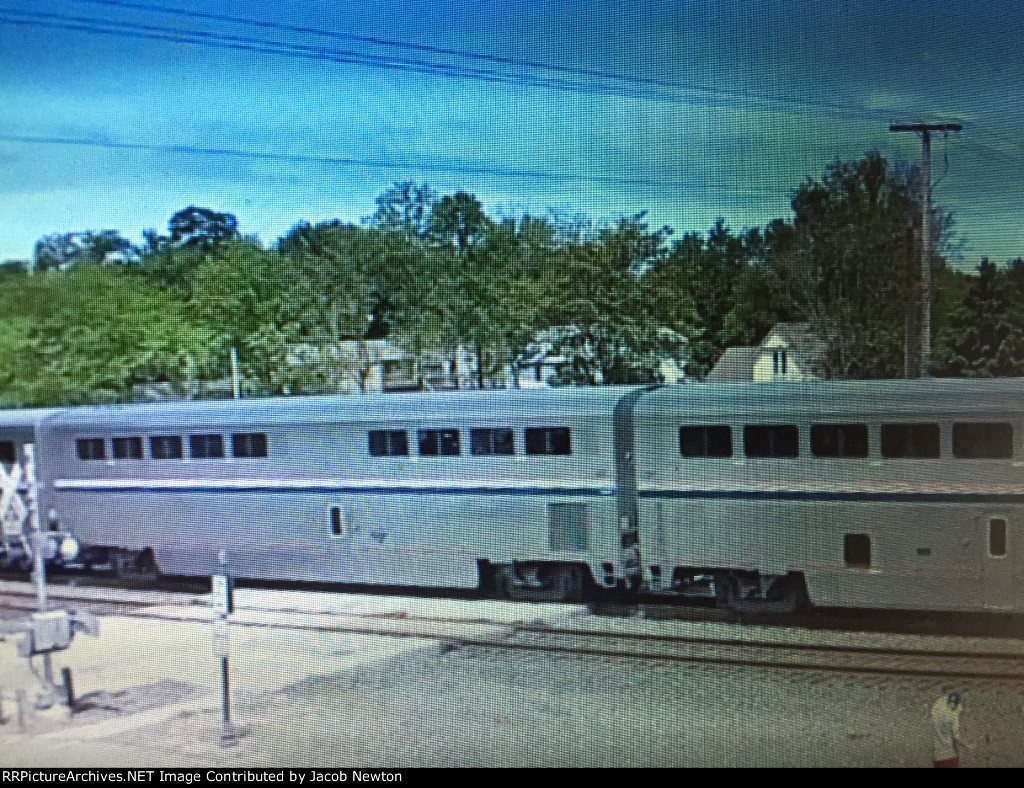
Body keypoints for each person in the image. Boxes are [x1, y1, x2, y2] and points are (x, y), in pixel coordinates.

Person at [931, 691, 964, 767]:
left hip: (937, 756)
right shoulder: (953, 717)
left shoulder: (936, 716)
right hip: (950, 755)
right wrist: (959, 754)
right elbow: (955, 739)